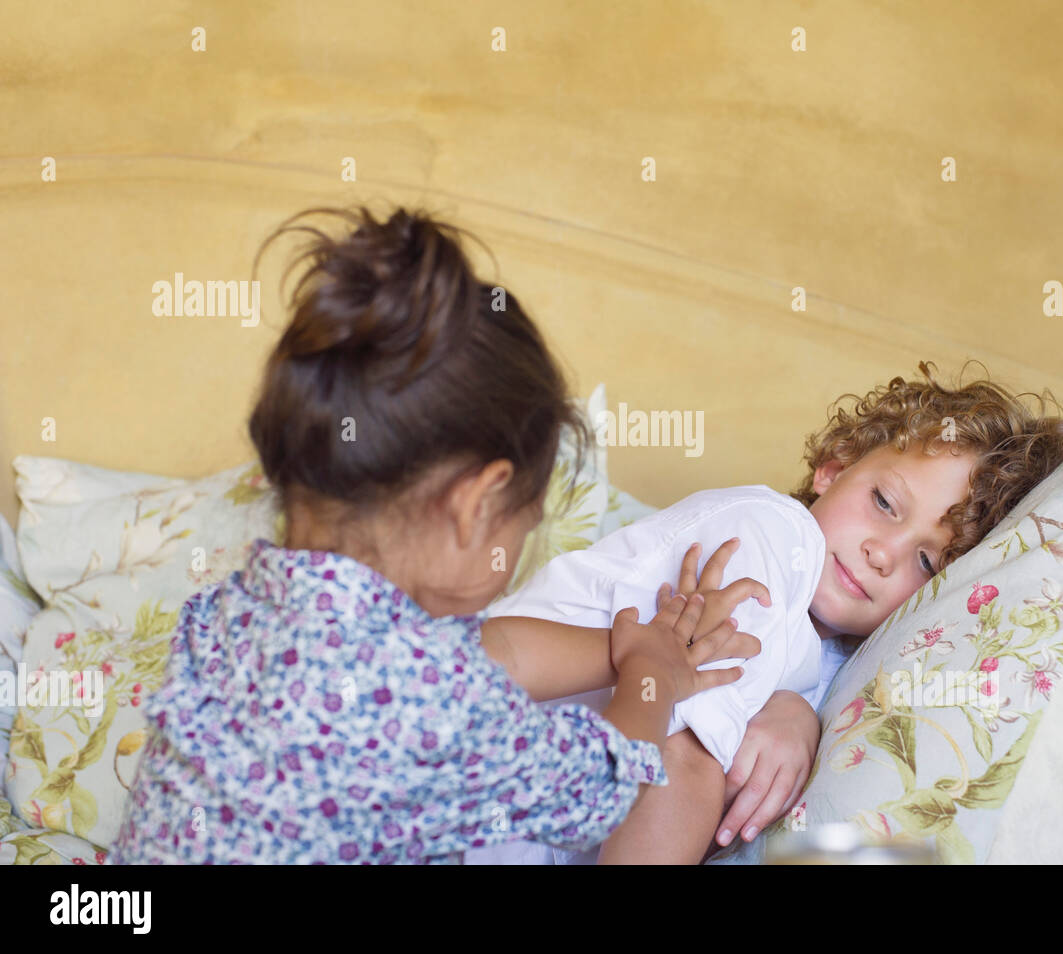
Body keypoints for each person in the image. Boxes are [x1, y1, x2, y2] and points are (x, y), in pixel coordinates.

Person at [110, 206, 767, 864]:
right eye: (525, 522)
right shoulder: (433, 705)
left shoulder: (227, 612)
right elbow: (599, 784)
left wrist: (637, 642)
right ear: (475, 503)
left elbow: (493, 650)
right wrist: (654, 675)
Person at [472, 361, 1063, 864]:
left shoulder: (845, 660)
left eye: (926, 563)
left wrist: (797, 715)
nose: (883, 552)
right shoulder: (774, 536)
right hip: (464, 765)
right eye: (883, 502)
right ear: (834, 467)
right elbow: (683, 758)